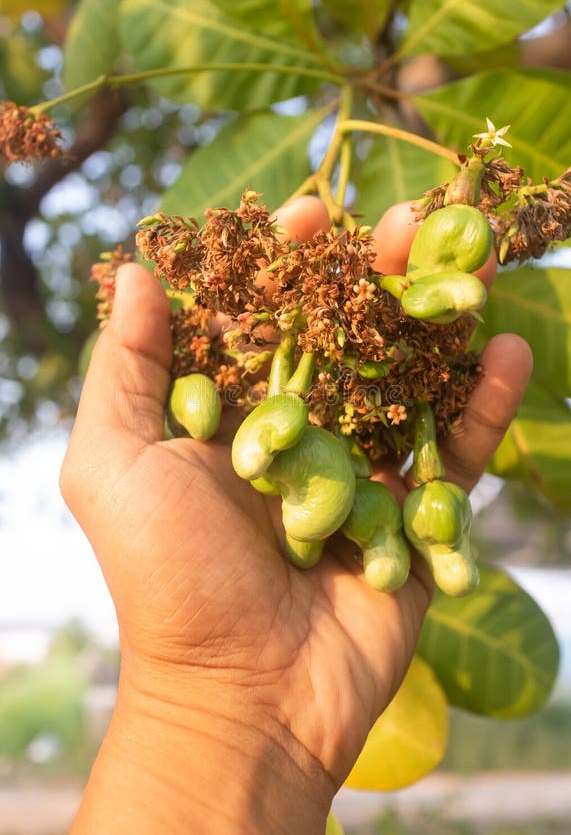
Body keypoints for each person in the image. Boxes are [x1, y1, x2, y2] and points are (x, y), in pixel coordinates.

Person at [60, 197, 532, 834]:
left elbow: (272, 459)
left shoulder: (308, 457)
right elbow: (267, 459)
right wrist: (232, 702)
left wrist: (222, 712)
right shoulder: (285, 452)